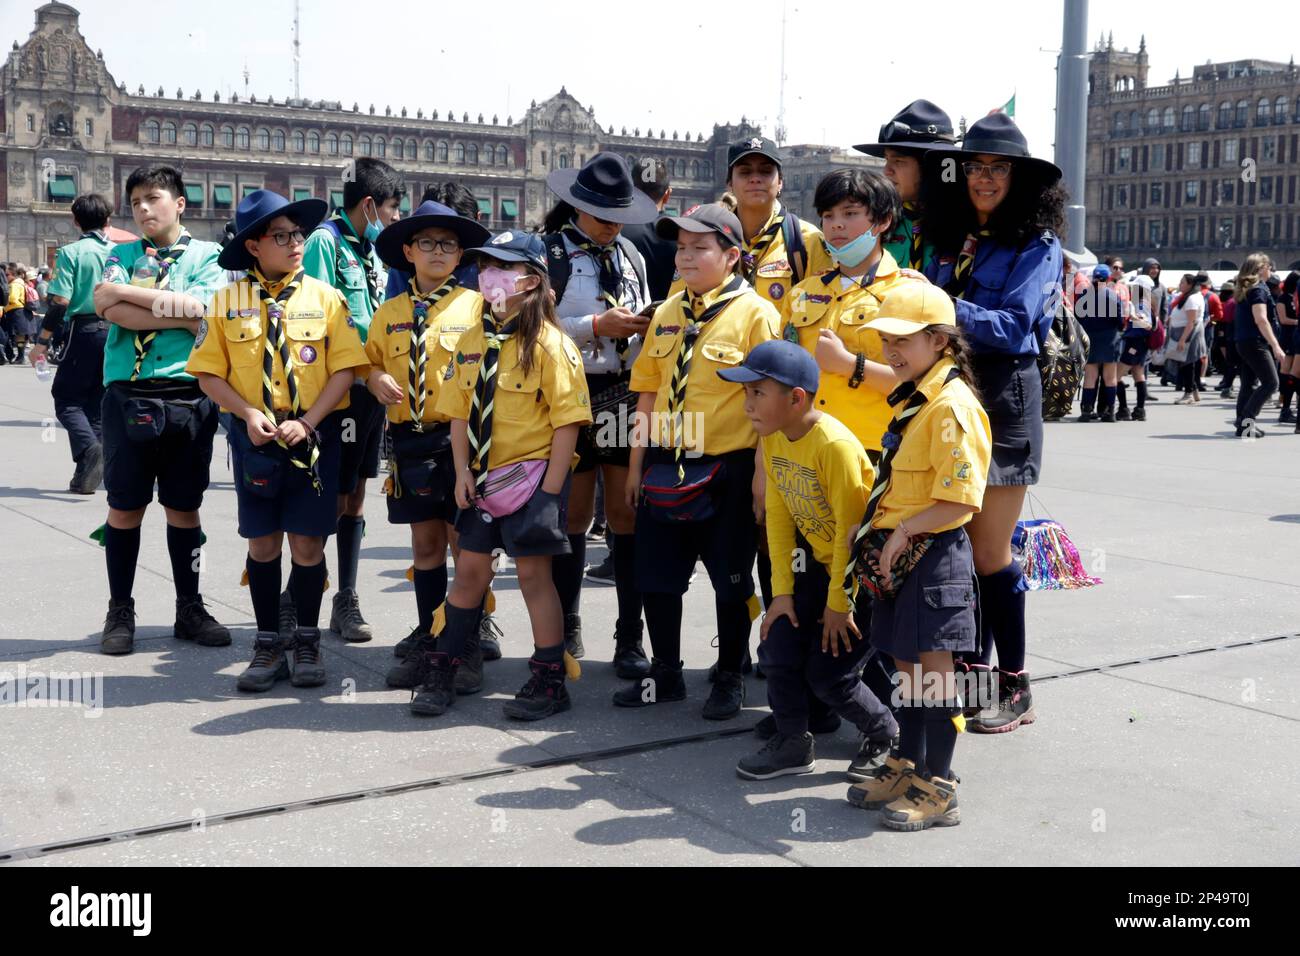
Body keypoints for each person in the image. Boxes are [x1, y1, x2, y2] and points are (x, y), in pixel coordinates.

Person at [188, 189, 370, 692]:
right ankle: (268, 643)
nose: (295, 244)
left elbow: (344, 371)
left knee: (308, 544)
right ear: (253, 246)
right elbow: (208, 375)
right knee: (264, 544)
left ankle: (307, 641)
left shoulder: (326, 299)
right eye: (282, 236)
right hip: (256, 439)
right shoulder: (227, 302)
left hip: (311, 436)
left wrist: (309, 421)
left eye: (299, 235)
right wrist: (246, 414)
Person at [921, 112, 1064, 732]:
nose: (983, 178)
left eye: (998, 169)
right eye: (975, 167)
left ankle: (1015, 684)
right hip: (946, 396)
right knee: (952, 543)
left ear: (1021, 180)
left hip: (1004, 399)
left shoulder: (1039, 246)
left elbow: (1013, 327)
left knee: (988, 551)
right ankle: (970, 678)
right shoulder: (945, 237)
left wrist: (939, 305)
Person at [614, 203, 779, 719]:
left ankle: (730, 673)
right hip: (666, 461)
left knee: (731, 579)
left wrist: (760, 476)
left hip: (727, 465)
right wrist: (637, 465)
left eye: (699, 247)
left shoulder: (757, 314)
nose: (685, 257)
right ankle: (666, 674)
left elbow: (771, 403)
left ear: (731, 256)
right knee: (658, 577)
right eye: (681, 248)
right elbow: (645, 392)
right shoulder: (666, 312)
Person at [843, 283, 991, 831]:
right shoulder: (916, 397)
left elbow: (960, 497)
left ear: (939, 340)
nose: (890, 350)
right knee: (905, 672)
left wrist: (903, 531)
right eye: (884, 339)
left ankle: (940, 785)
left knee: (933, 679)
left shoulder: (952, 406)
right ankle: (908, 765)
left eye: (902, 340)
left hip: (931, 554)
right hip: (901, 551)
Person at [429, 231, 592, 720]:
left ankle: (548, 679)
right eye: (484, 267)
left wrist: (550, 492)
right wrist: (461, 472)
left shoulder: (550, 344)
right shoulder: (471, 339)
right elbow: (459, 412)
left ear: (532, 280)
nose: (490, 277)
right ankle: (445, 666)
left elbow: (567, 424)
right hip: (481, 481)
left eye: (503, 267)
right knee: (469, 575)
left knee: (533, 578)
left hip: (532, 481)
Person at [719, 341, 898, 781]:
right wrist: (781, 595)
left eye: (757, 393)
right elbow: (779, 520)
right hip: (818, 569)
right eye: (746, 394)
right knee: (777, 647)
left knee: (829, 676)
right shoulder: (775, 438)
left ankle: (885, 733)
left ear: (796, 398)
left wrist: (840, 603)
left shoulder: (834, 446)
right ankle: (794, 742)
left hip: (863, 579)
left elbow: (849, 536)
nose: (747, 405)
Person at [91, 164, 230, 656]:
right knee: (124, 508)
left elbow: (204, 308)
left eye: (153, 198)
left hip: (187, 393)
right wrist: (170, 308)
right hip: (127, 393)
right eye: (136, 203)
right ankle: (120, 608)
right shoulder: (119, 253)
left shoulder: (208, 255)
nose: (144, 209)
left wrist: (129, 297)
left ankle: (189, 606)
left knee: (184, 508)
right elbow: (106, 305)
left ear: (180, 203)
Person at [362, 201, 493, 694]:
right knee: (425, 545)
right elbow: (367, 363)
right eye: (427, 244)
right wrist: (375, 379)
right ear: (408, 252)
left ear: (461, 256)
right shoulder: (390, 313)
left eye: (449, 244)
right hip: (410, 442)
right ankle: (430, 633)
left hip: (461, 440)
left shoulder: (477, 307)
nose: (438, 252)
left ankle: (467, 641)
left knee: (467, 547)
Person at [539, 153, 655, 677]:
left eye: (618, 216)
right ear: (576, 207)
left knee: (627, 513)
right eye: (602, 214)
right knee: (574, 515)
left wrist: (646, 323)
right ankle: (566, 624)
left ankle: (629, 634)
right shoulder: (548, 255)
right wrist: (593, 325)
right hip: (570, 392)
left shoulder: (631, 253)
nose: (612, 225)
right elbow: (531, 327)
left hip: (623, 390)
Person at [300, 157, 405, 644]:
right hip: (340, 388)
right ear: (369, 205)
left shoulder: (375, 249)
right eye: (390, 207)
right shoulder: (327, 241)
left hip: (371, 390)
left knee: (358, 492)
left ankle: (346, 595)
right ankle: (301, 595)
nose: (395, 217)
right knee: (332, 494)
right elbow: (319, 313)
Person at [30, 194, 115, 494]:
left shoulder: (71, 252)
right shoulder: (122, 252)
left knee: (66, 398)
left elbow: (60, 302)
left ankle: (91, 450)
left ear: (76, 221)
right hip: (116, 331)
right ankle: (85, 474)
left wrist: (41, 342)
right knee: (95, 402)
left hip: (84, 330)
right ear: (108, 220)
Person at [853, 100, 957, 272]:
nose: (887, 171)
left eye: (898, 161)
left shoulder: (964, 227)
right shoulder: (878, 225)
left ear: (931, 167)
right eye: (887, 160)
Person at [383, 182, 484, 300]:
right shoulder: (403, 264)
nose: (439, 250)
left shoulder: (490, 261)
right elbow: (394, 310)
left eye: (450, 241)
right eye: (427, 241)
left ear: (478, 218)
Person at [1232, 254, 1287, 438]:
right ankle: (1246, 420)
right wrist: (1275, 345)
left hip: (1244, 341)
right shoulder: (1258, 290)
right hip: (1255, 342)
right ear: (1261, 268)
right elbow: (1261, 319)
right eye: (1269, 267)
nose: (1271, 270)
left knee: (1248, 384)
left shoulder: (1245, 289)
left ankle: (1244, 427)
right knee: (1271, 383)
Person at [620, 158, 677, 301]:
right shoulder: (683, 233)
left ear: (631, 191)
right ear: (667, 194)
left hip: (625, 319)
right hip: (670, 318)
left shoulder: (614, 229)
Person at [1074, 264, 1125, 422]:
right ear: (1108, 277)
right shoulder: (1113, 295)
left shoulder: (1084, 295)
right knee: (1110, 377)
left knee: (1090, 376)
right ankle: (1109, 412)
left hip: (1091, 337)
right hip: (1109, 338)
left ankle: (1086, 411)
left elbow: (1078, 318)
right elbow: (1120, 320)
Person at [1115, 274, 1155, 421]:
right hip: (1140, 343)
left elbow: (1144, 326)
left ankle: (1124, 408)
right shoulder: (1146, 302)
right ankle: (1139, 409)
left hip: (1134, 342)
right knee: (1139, 375)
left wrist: (1132, 318)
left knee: (1116, 376)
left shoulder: (1140, 303)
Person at [1167, 274, 1206, 405]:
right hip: (1183, 333)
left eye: (1183, 282)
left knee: (1187, 365)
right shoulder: (1189, 296)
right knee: (1186, 364)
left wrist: (1182, 339)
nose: (1180, 284)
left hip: (1188, 334)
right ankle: (1193, 391)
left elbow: (1191, 321)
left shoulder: (1193, 299)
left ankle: (1188, 393)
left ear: (1190, 285)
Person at [3, 263, 36, 364]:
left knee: (19, 336)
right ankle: (19, 356)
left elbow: (13, 298)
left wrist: (4, 303)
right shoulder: (20, 283)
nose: (5, 277)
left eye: (7, 275)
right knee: (19, 336)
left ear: (13, 274)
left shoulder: (15, 284)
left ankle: (20, 357)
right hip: (20, 312)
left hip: (17, 311)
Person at [1281, 272, 1300, 424]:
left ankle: (1286, 408)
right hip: (1291, 334)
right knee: (1292, 372)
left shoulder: (1292, 295)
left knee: (1291, 372)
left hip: (1295, 333)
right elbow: (1283, 319)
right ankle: (1286, 409)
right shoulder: (1284, 297)